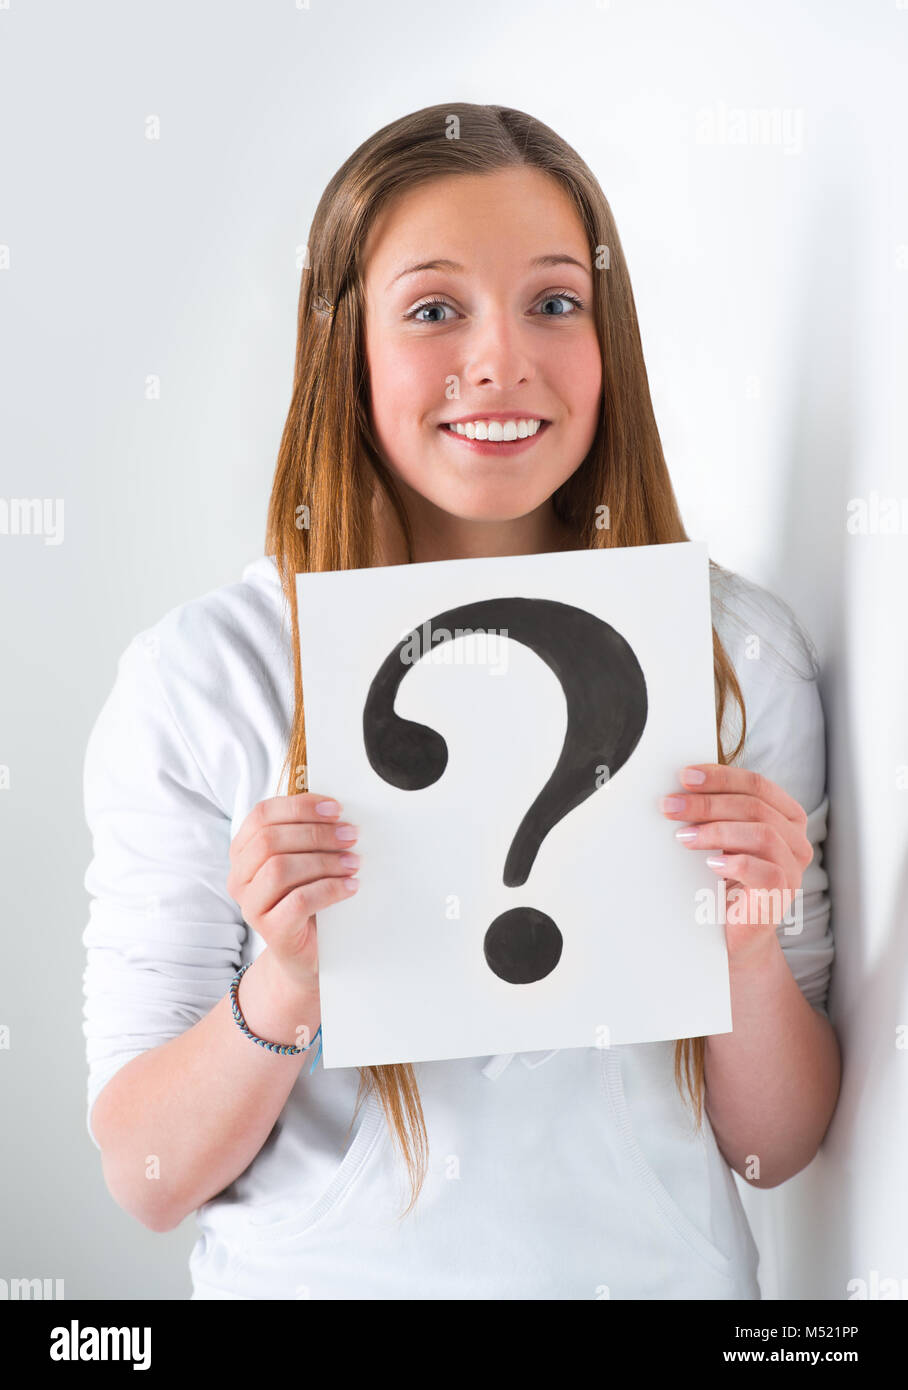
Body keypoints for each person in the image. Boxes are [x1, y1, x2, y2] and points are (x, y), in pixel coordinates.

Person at [82, 102, 840, 1300]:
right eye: (433, 310)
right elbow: (147, 1175)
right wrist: (281, 983)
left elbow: (775, 1146)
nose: (499, 360)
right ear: (346, 347)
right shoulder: (206, 678)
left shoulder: (735, 658)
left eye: (554, 302)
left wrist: (745, 955)